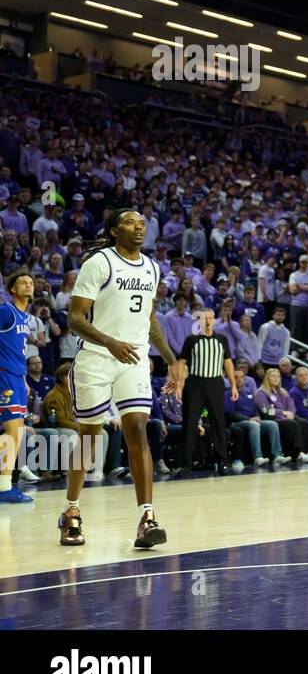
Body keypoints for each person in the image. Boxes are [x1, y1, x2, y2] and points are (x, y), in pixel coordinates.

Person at [61, 209, 182, 548]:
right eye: (130, 223)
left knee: (138, 431)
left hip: (134, 359)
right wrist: (110, 343)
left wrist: (171, 359)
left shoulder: (152, 267)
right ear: (114, 230)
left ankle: (147, 517)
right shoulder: (99, 263)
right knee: (89, 437)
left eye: (142, 223)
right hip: (97, 357)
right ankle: (71, 511)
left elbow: (150, 320)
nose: (138, 227)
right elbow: (75, 318)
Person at [177, 309, 234, 475]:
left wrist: (234, 385)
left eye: (210, 318)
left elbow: (228, 363)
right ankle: (186, 463)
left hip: (215, 383)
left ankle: (222, 461)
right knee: (189, 422)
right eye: (204, 318)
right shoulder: (191, 340)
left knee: (218, 422)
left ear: (214, 320)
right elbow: (181, 362)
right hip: (195, 383)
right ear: (199, 322)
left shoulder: (222, 339)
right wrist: (179, 384)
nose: (208, 321)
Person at [0, 270, 36, 503]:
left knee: (18, 431)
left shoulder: (26, 318)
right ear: (12, 289)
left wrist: (23, 379)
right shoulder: (6, 311)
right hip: (4, 376)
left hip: (17, 378)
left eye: (31, 282)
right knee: (13, 432)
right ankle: (4, 488)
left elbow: (17, 351)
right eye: (23, 282)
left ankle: (5, 485)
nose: (28, 285)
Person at [254, 367, 308, 464]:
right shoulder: (261, 393)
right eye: (273, 376)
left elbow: (291, 405)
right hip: (273, 419)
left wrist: (291, 413)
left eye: (278, 376)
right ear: (267, 378)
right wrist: (283, 413)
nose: (276, 378)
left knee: (303, 422)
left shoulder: (283, 391)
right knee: (291, 424)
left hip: (287, 418)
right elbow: (265, 410)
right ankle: (296, 453)